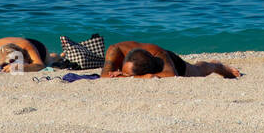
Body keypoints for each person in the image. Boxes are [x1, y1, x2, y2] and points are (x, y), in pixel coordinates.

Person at [101, 41, 241, 78]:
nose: (124, 74)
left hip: (173, 64)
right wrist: (126, 76)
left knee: (199, 70)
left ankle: (216, 65)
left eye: (129, 74)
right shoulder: (114, 50)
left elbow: (170, 75)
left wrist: (126, 77)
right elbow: (104, 77)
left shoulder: (159, 54)